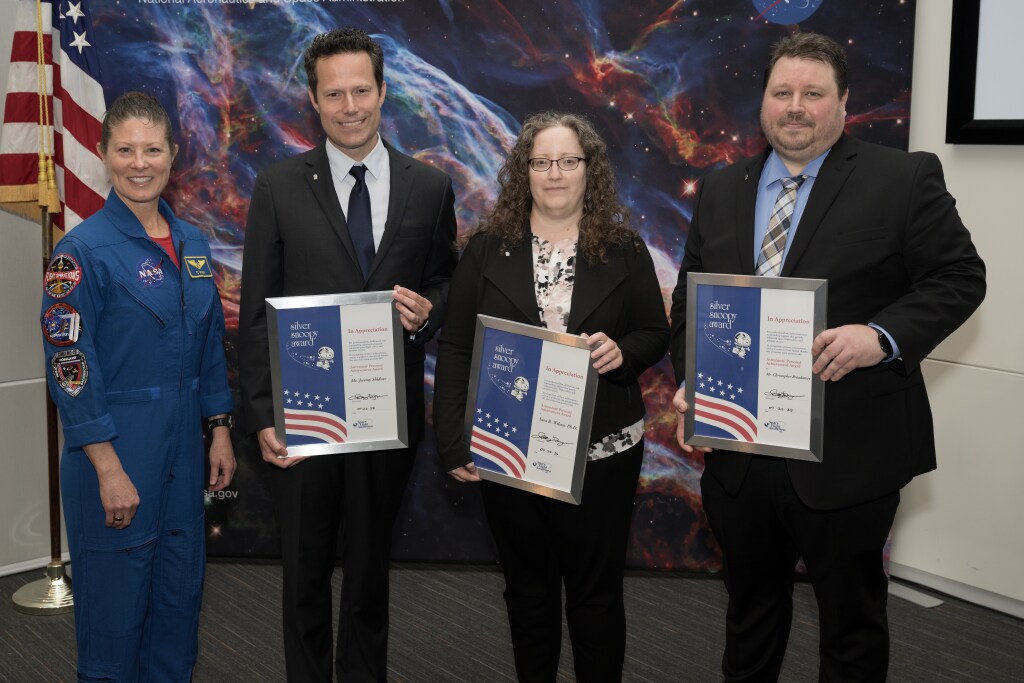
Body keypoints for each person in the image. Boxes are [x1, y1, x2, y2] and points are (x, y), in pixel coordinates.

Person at [669, 33, 986, 682]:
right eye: (782, 92)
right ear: (763, 101)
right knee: (750, 613)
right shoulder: (722, 187)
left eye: (813, 93)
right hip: (739, 453)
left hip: (850, 451)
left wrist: (880, 335)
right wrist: (693, 379)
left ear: (843, 102)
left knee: (851, 626)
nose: (795, 106)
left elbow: (959, 277)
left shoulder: (903, 178)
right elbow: (690, 301)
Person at [237, 27, 457, 682]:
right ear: (314, 100)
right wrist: (263, 413)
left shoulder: (430, 186)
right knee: (304, 574)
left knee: (368, 573)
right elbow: (256, 307)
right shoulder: (277, 186)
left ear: (383, 91)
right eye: (334, 94)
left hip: (386, 417)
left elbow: (447, 279)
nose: (350, 106)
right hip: (303, 417)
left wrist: (430, 308)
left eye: (361, 90)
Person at [434, 111, 669, 682]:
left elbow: (654, 331)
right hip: (510, 450)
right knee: (528, 592)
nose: (555, 173)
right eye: (541, 162)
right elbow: (458, 345)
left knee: (596, 596)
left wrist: (622, 353)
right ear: (524, 171)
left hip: (602, 453)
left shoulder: (624, 247)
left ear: (590, 169)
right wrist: (454, 439)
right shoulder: (487, 248)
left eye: (568, 161)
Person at [41, 90, 236, 682]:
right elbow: (69, 364)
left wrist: (219, 428)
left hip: (182, 455)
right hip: (116, 452)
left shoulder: (193, 244)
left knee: (177, 604)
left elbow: (207, 344)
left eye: (152, 149)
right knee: (115, 619)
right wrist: (107, 467)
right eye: (125, 150)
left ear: (173, 155)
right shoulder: (80, 253)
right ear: (104, 155)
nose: (139, 163)